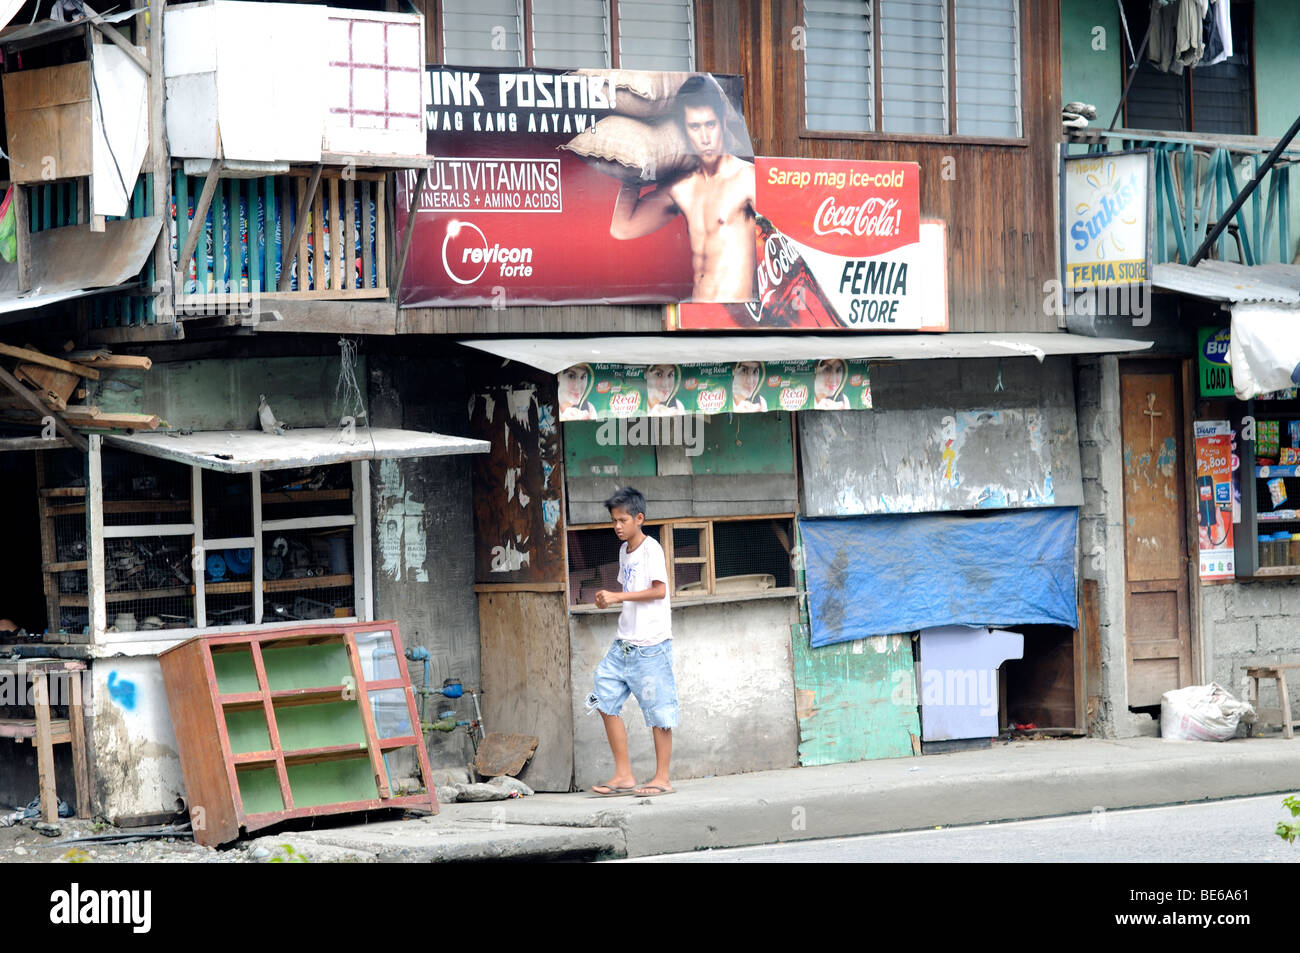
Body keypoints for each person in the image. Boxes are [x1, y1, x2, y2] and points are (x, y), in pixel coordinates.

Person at [609, 76, 757, 303]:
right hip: (698, 316)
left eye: (711, 125)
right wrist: (634, 171)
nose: (705, 138)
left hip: (738, 318)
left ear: (723, 124)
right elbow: (622, 228)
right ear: (684, 131)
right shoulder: (681, 187)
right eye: (695, 127)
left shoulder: (747, 178)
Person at [589, 486, 677, 798]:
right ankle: (624, 774)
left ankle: (662, 778)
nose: (617, 526)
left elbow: (658, 591)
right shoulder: (623, 551)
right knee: (601, 696)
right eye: (614, 520)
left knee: (658, 711)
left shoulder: (651, 549)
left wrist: (617, 595)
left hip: (651, 645)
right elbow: (629, 595)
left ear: (639, 518)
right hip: (623, 643)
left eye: (623, 520)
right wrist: (609, 599)